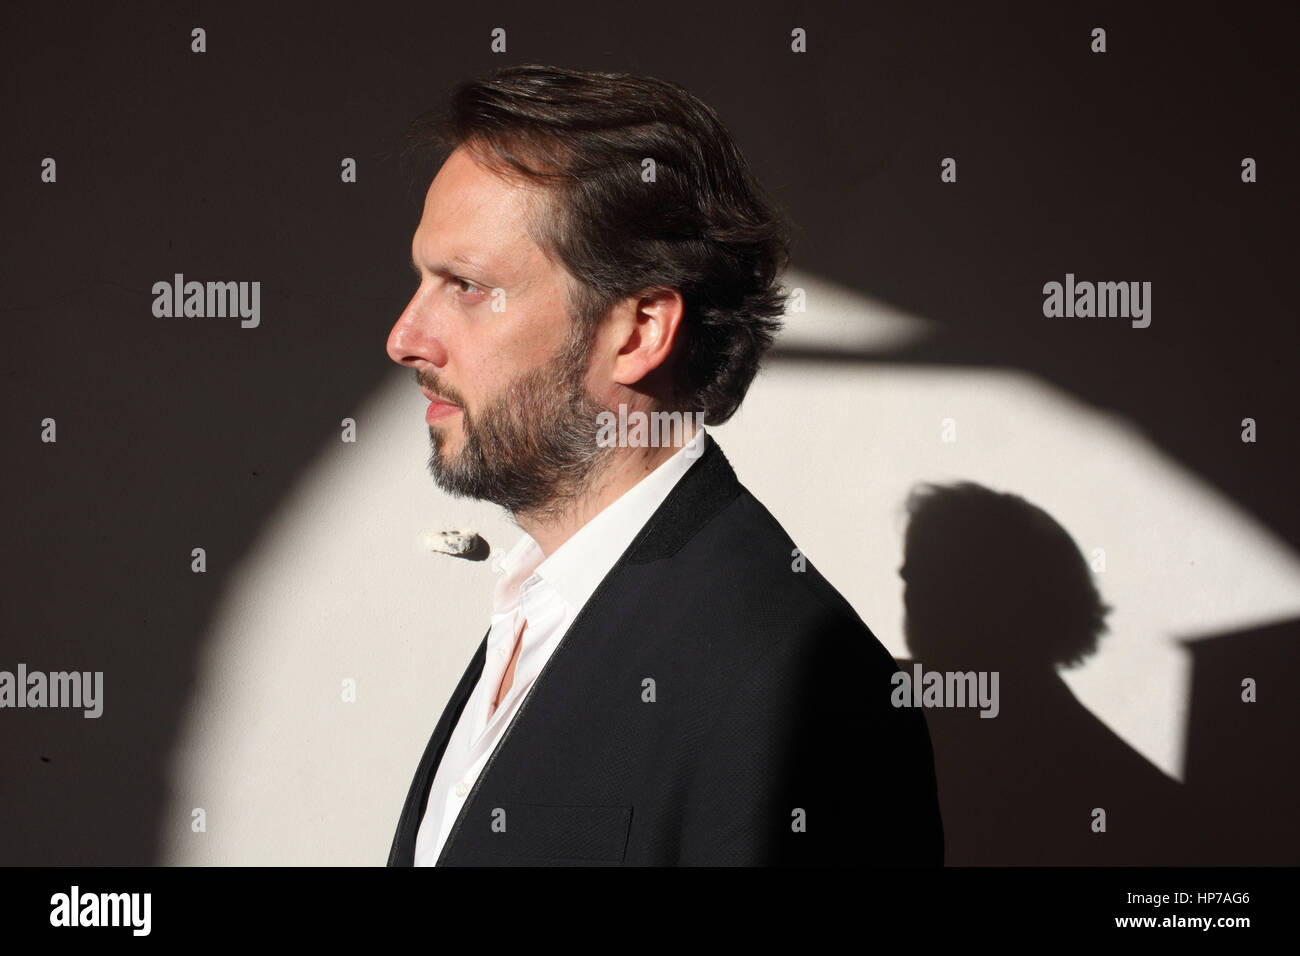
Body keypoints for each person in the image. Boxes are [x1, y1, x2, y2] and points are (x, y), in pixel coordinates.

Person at [384, 64, 943, 866]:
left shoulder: (798, 685)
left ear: (642, 330)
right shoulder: (535, 608)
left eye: (467, 286)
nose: (405, 336)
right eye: (422, 280)